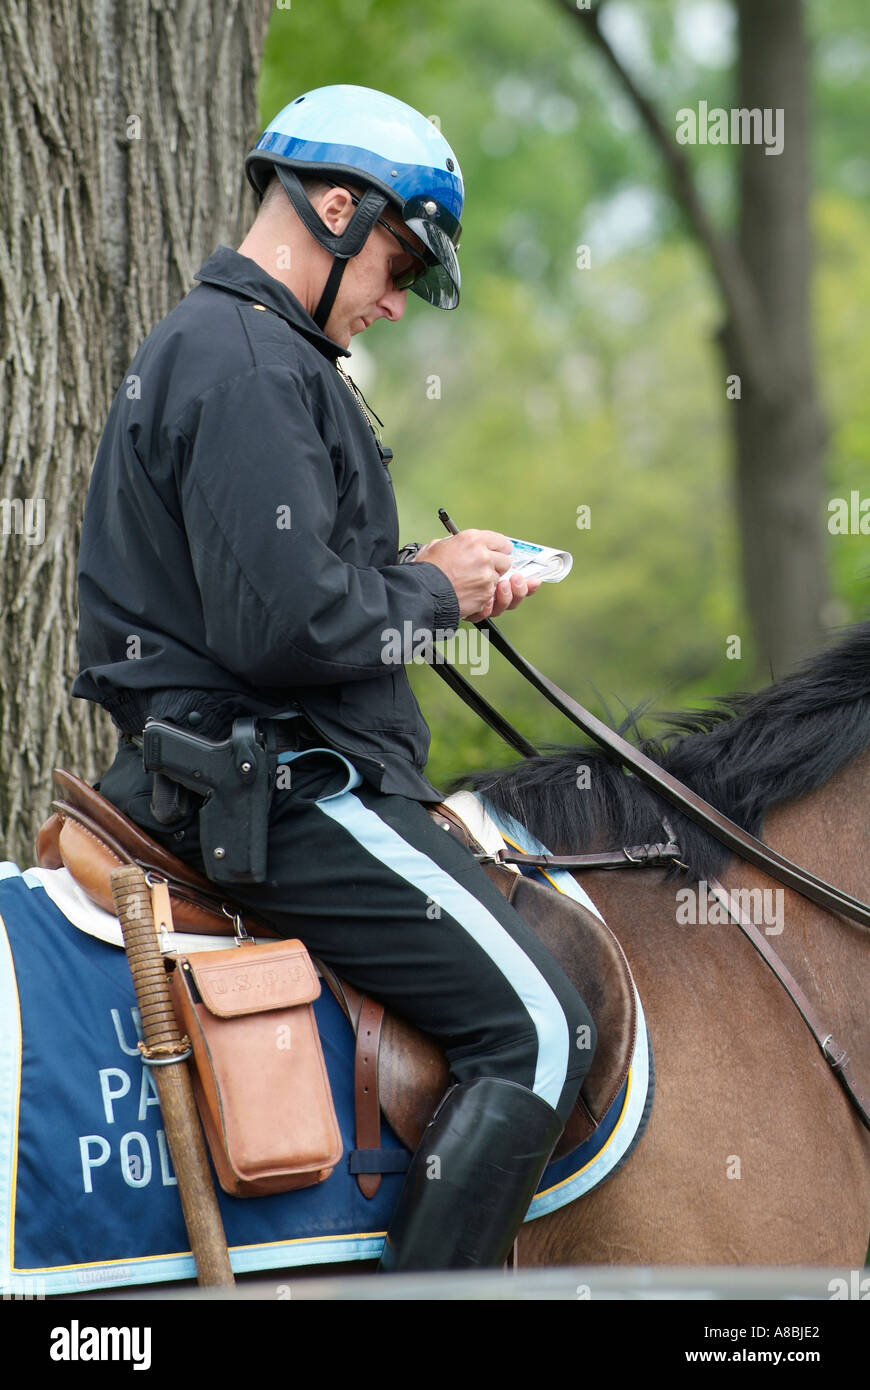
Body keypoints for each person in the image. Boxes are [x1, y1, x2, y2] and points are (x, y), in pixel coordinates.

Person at [73, 84, 596, 1270]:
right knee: (543, 1033)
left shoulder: (245, 350)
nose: (397, 301)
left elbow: (279, 587)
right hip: (283, 794)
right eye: (398, 264)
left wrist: (418, 574)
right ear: (337, 208)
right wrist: (438, 595)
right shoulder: (253, 360)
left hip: (266, 772)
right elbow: (288, 633)